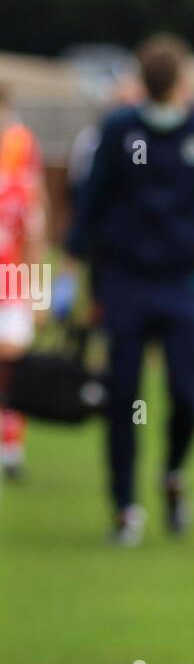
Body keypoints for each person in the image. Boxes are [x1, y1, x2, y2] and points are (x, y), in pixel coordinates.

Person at [59, 34, 194, 545]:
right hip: (125, 286)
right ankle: (126, 509)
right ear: (180, 82)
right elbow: (89, 203)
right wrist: (70, 270)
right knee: (121, 400)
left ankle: (172, 474)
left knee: (186, 395)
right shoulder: (119, 131)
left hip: (182, 288)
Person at [0, 89, 48, 480]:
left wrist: (40, 292)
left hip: (11, 281)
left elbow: (36, 236)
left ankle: (11, 447)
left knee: (12, 365)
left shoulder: (19, 185)